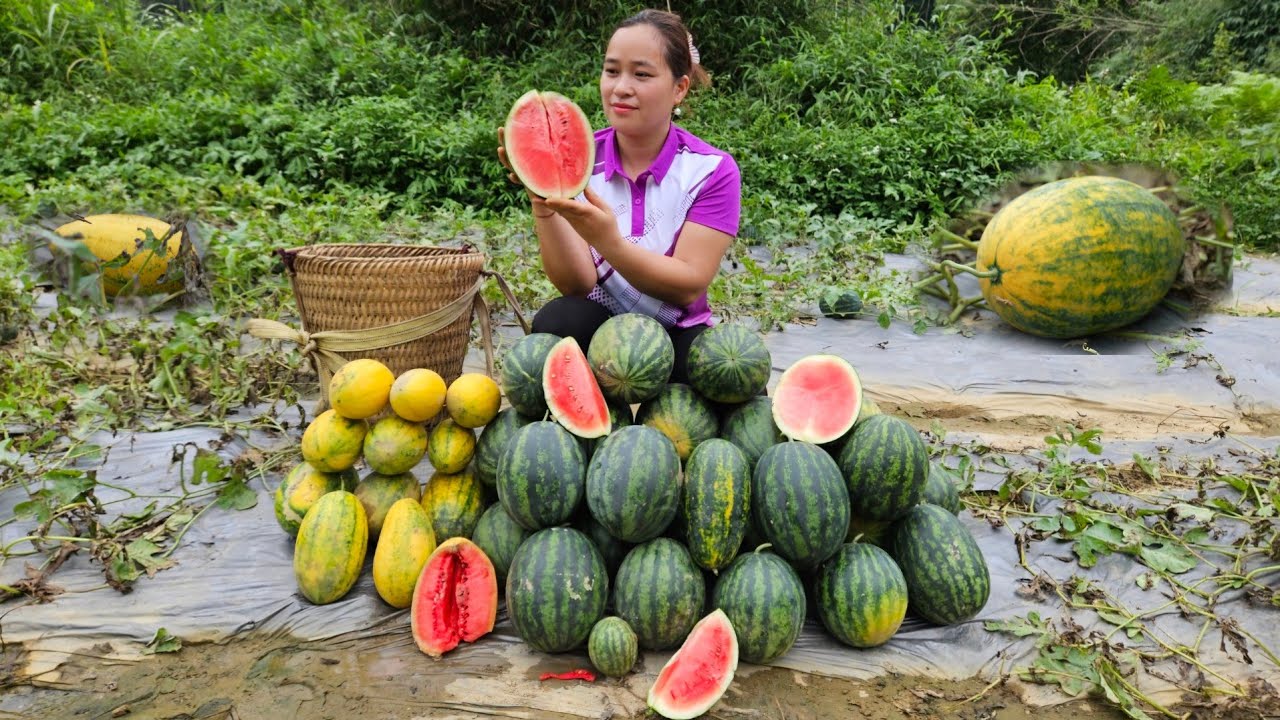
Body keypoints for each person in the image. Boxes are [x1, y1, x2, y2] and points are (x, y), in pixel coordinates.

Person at [497, 8, 741, 384]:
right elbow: (577, 285)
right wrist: (542, 204)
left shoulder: (710, 170)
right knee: (558, 319)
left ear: (680, 88)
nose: (620, 87)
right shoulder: (578, 161)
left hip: (677, 333)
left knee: (727, 370)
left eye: (641, 74)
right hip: (599, 327)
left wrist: (608, 241)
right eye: (612, 71)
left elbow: (689, 282)